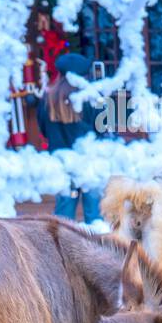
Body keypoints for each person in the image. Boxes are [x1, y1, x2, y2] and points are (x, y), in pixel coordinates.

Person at [37, 52, 107, 223]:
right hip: (91, 167)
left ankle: (60, 250)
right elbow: (102, 130)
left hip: (62, 167)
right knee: (94, 215)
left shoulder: (48, 99)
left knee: (63, 218)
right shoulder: (92, 99)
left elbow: (44, 130)